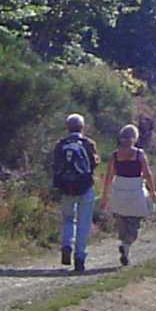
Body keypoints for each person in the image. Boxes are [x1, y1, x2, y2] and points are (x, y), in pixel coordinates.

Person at [97, 124, 156, 266]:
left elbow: (108, 177)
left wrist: (105, 196)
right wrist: (153, 190)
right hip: (135, 190)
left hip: (119, 189)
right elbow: (147, 173)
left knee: (121, 220)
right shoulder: (139, 154)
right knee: (135, 222)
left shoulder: (114, 155)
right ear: (135, 138)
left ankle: (124, 243)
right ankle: (126, 245)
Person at [51, 113, 100, 272]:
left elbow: (55, 165)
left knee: (68, 219)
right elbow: (94, 163)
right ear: (82, 127)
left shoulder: (60, 144)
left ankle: (66, 245)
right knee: (83, 222)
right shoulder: (88, 143)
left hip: (66, 188)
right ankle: (79, 257)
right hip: (85, 187)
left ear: (67, 127)